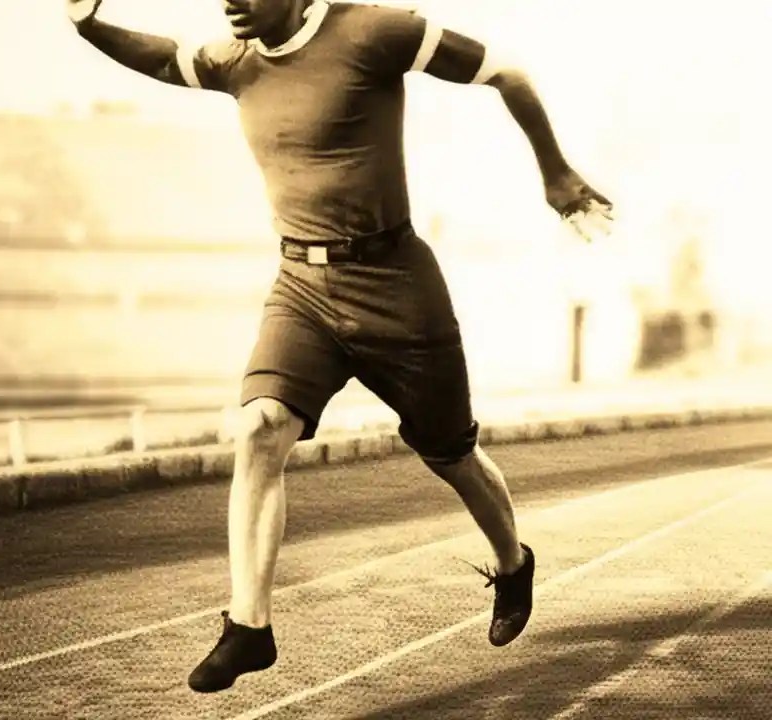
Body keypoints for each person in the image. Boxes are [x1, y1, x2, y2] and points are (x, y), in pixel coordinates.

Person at [66, 0, 614, 694]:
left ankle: (513, 562)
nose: (230, 1)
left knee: (451, 454)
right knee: (259, 428)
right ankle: (249, 626)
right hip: (301, 286)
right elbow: (162, 58)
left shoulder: (375, 31)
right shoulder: (235, 62)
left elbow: (506, 71)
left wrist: (555, 173)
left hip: (397, 286)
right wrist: (88, 24)